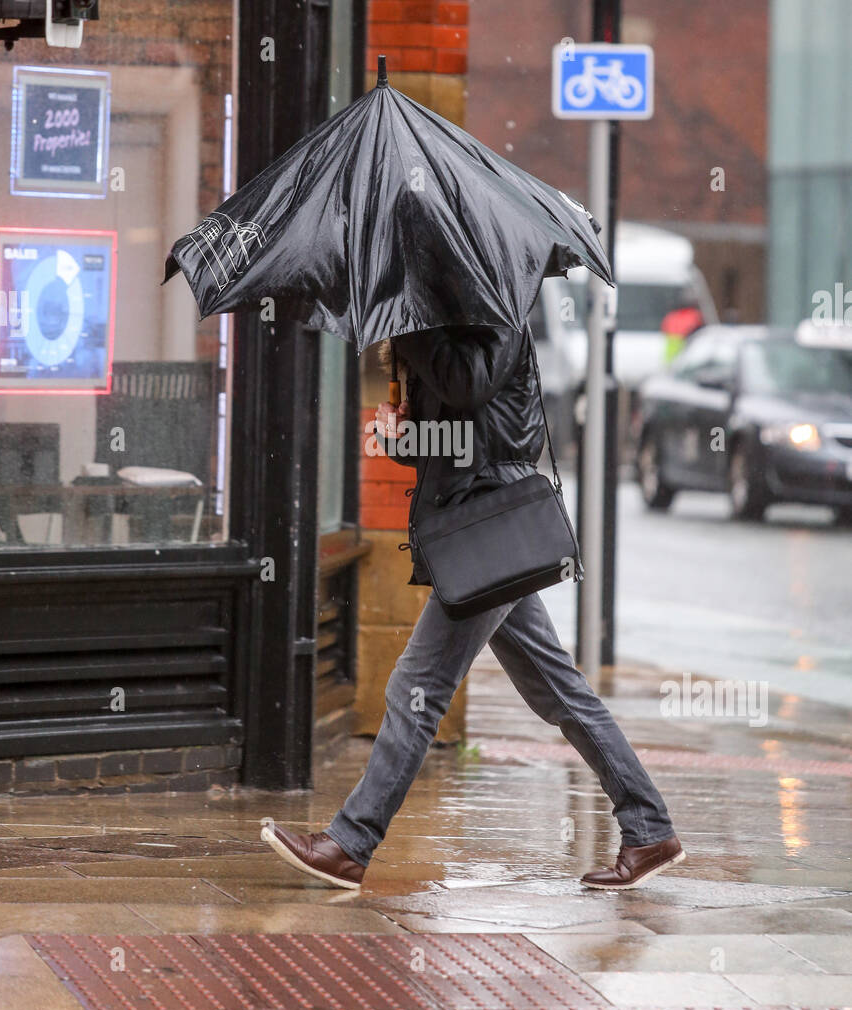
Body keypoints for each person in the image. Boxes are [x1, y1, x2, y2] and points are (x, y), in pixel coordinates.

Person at [263, 325, 684, 892]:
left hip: (488, 528)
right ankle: (649, 827)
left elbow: (469, 391)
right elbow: (458, 440)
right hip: (480, 527)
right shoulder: (452, 328)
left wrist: (411, 338)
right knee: (556, 690)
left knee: (415, 691)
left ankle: (351, 843)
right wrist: (401, 435)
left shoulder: (495, 314)